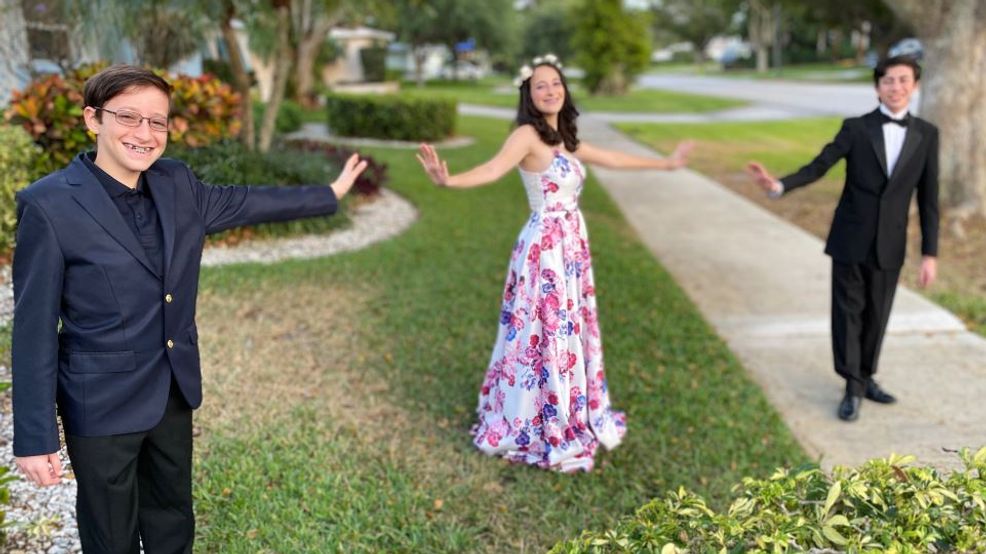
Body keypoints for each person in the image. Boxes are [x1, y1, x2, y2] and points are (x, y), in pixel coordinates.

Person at [12, 64, 367, 552]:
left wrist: (328, 194)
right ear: (93, 119)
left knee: (172, 517)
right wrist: (34, 437)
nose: (145, 133)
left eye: (158, 122)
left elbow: (248, 203)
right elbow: (32, 330)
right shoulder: (49, 204)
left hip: (171, 392)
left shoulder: (176, 182)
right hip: (100, 403)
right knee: (110, 533)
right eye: (129, 117)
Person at [416, 54, 694, 472]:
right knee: (539, 331)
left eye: (555, 83)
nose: (550, 90)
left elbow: (614, 159)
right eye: (540, 85)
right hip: (544, 249)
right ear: (529, 95)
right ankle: (536, 416)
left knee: (567, 328)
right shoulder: (527, 135)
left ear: (565, 89)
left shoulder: (563, 137)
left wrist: (666, 164)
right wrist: (449, 179)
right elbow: (493, 168)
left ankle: (567, 406)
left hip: (570, 248)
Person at [746, 55, 939, 422]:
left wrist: (930, 253)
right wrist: (779, 185)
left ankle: (866, 377)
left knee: (877, 315)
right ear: (877, 87)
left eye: (902, 80)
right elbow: (820, 166)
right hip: (850, 238)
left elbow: (929, 199)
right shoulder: (856, 128)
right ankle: (851, 386)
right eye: (887, 81)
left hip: (891, 244)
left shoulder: (928, 135)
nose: (895, 87)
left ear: (914, 86)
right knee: (848, 313)